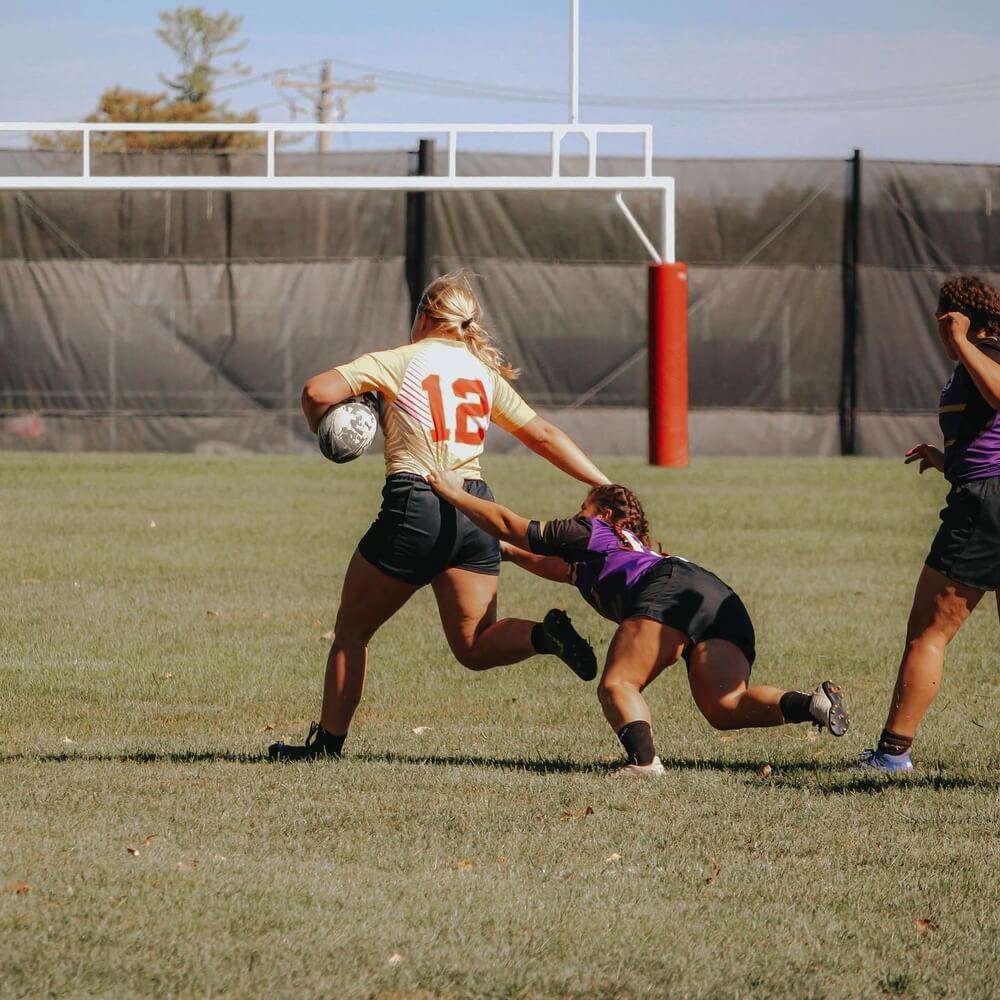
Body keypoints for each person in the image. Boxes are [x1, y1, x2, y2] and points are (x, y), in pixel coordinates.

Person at [269, 271, 610, 760]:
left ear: (425, 318)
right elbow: (544, 436)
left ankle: (326, 746)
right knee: (474, 644)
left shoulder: (399, 360)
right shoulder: (482, 374)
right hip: (475, 509)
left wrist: (322, 433)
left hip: (418, 502)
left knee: (351, 633)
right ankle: (544, 635)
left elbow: (315, 391)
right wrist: (602, 484)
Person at [425, 471, 850, 777]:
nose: (578, 516)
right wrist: (507, 553)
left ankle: (644, 764)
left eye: (583, 509)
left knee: (618, 685)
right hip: (719, 598)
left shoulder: (595, 531)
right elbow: (551, 564)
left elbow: (516, 528)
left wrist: (452, 493)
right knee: (725, 707)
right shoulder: (621, 552)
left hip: (668, 591)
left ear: (605, 513)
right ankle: (810, 704)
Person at [859, 276, 1000, 773]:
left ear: (954, 317)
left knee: (928, 633)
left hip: (986, 506)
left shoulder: (986, 351)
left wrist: (962, 341)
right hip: (985, 491)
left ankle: (892, 756)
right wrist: (947, 460)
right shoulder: (973, 361)